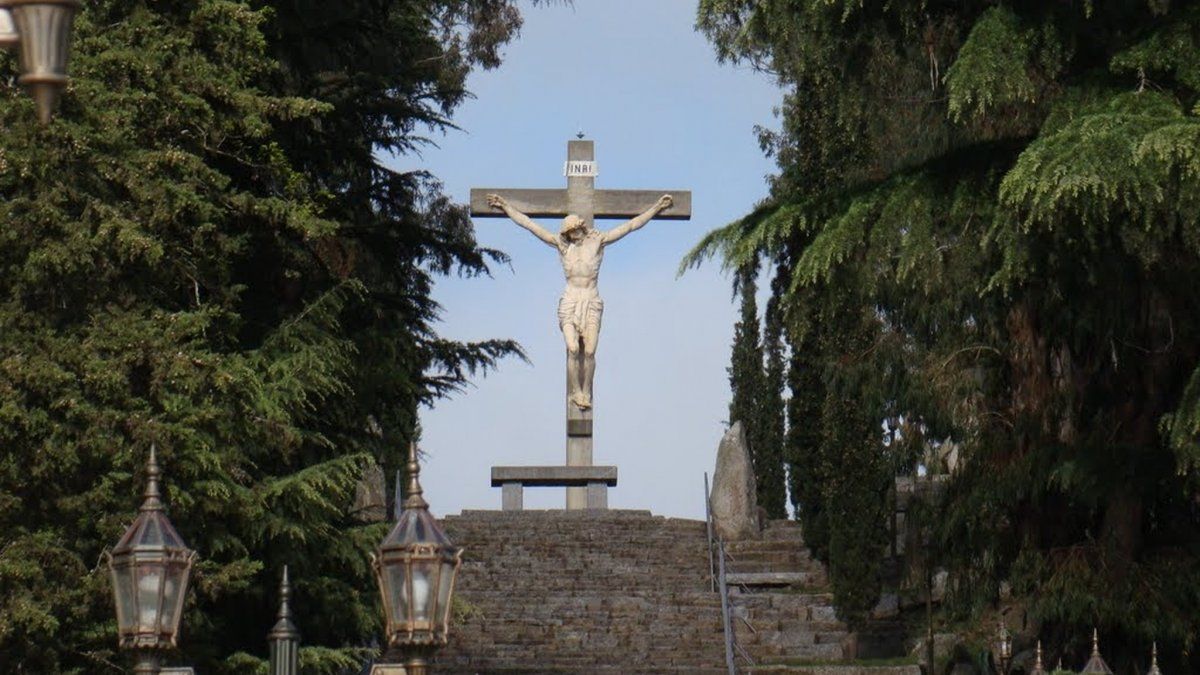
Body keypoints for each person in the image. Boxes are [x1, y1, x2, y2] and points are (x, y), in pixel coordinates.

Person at [487, 192, 674, 410]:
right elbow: (530, 225)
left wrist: (656, 207)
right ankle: (576, 392)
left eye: (572, 231)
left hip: (592, 301)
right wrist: (506, 207)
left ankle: (586, 391)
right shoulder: (563, 246)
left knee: (590, 351)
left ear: (579, 227)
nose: (570, 235)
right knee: (573, 348)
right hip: (570, 301)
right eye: (567, 233)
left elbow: (631, 226)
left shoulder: (597, 241)